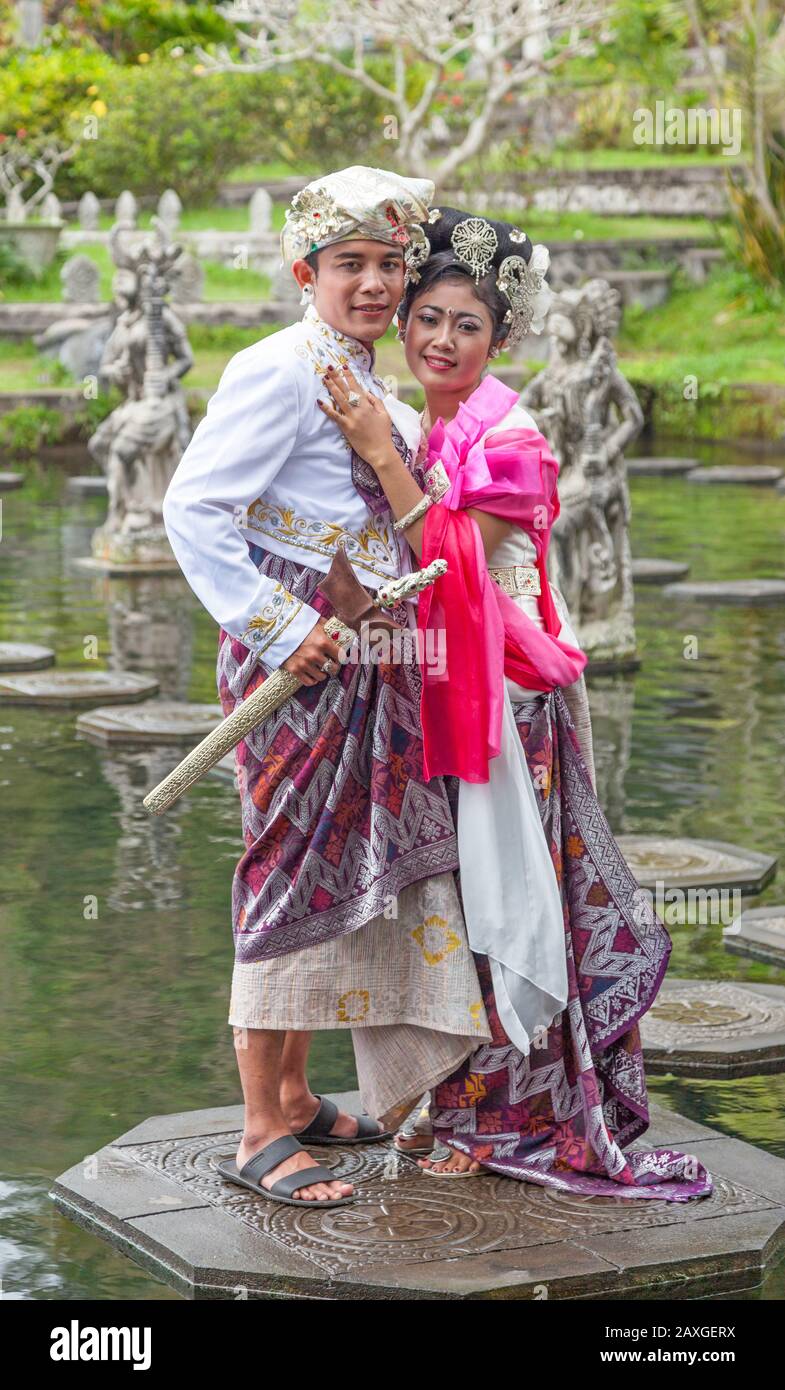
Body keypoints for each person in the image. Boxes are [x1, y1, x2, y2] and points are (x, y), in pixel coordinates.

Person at [319, 207, 714, 1202]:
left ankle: (510, 1117)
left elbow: (454, 565)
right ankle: (446, 1100)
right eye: (428, 319)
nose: (441, 341)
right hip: (457, 696)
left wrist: (379, 457)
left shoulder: (510, 432)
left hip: (510, 712)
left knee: (503, 909)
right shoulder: (439, 422)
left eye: (466, 326)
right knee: (450, 906)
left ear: (500, 341)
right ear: (403, 323)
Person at [161, 170, 499, 1209]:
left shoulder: (368, 382)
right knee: (283, 869)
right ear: (303, 269)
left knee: (332, 872)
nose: (370, 283)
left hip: (365, 655)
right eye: (347, 264)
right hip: (298, 658)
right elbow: (194, 509)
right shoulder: (276, 368)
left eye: (386, 265)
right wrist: (284, 627)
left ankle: (301, 1094)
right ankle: (260, 1127)